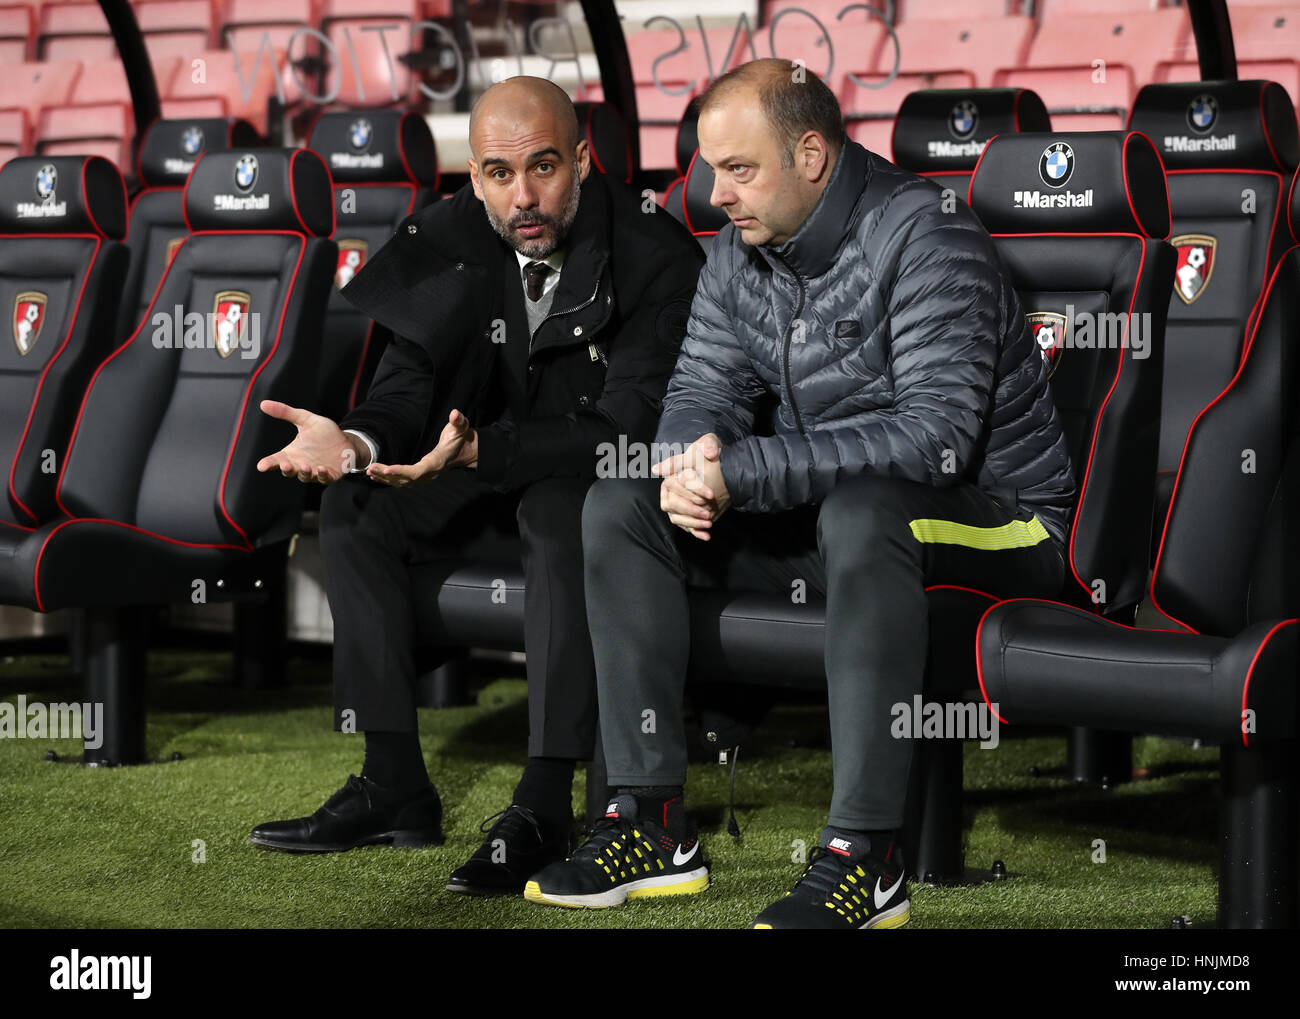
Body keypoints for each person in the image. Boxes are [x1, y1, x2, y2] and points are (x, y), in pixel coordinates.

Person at [525, 59, 1076, 927]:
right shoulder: (738, 249)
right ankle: (650, 819)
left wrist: (742, 471)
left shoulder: (929, 235)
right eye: (710, 169)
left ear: (813, 154)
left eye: (739, 169)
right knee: (620, 504)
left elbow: (934, 441)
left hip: (1004, 522)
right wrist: (684, 466)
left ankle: (866, 855)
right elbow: (700, 389)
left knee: (866, 512)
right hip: (839, 524)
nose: (715, 193)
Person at [248, 77, 705, 897]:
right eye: (498, 173)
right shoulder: (454, 232)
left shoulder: (656, 253)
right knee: (358, 503)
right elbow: (405, 386)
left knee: (564, 503)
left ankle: (542, 799)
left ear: (585, 159)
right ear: (474, 176)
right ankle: (392, 782)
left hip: (597, 501)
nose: (522, 197)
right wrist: (355, 442)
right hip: (485, 476)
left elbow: (625, 434)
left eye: (543, 168)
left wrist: (484, 450)